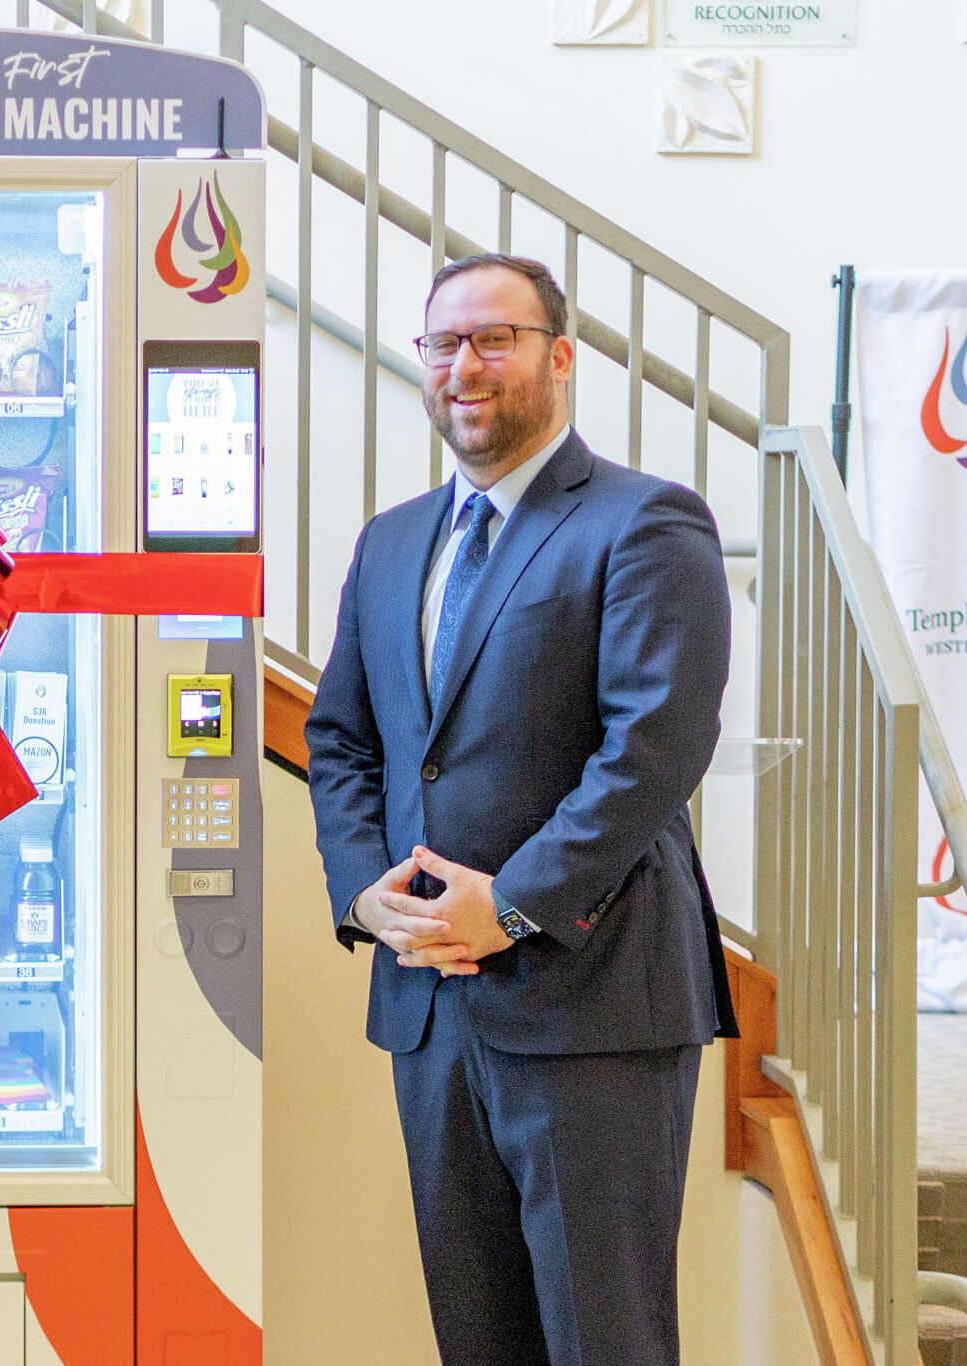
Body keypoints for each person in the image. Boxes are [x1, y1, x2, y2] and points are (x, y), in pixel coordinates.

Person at [303, 254, 738, 1366]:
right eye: (441, 343)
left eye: (492, 338)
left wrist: (515, 901)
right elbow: (342, 738)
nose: (463, 365)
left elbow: (651, 748)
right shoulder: (391, 540)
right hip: (430, 1007)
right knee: (476, 1336)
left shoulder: (645, 523)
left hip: (589, 1003)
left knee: (603, 1337)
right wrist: (365, 892)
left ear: (558, 356)